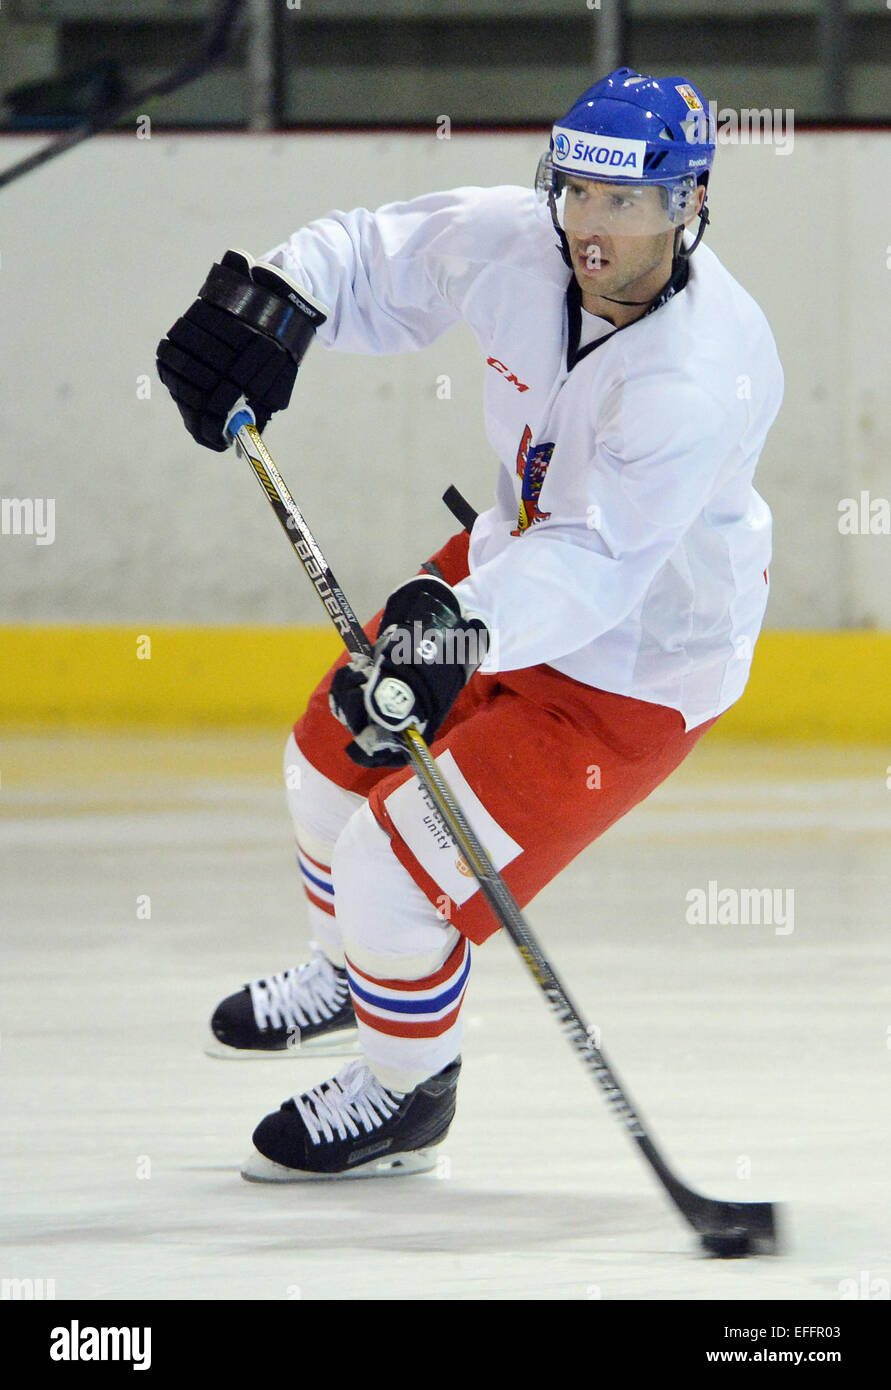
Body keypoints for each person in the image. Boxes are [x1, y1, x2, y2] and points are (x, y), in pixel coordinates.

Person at [156, 68, 783, 1182]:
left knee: (394, 871)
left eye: (625, 203)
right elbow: (368, 253)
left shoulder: (702, 375)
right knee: (322, 765)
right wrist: (275, 306)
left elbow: (599, 566)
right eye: (577, 193)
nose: (590, 228)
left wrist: (454, 630)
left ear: (690, 204)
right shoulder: (522, 242)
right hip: (503, 574)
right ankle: (358, 974)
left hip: (631, 662)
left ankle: (408, 1091)